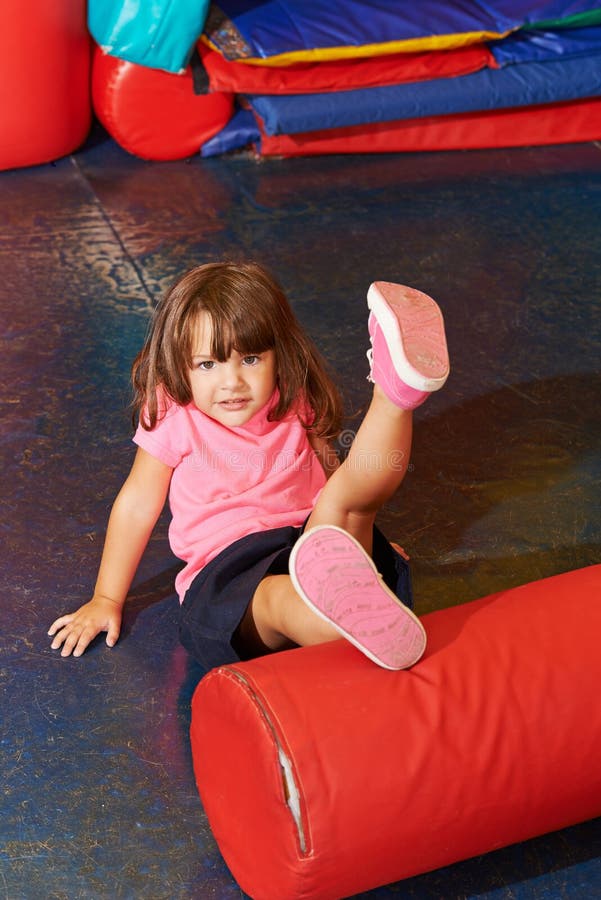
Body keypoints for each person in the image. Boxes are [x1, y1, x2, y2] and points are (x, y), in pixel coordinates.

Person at [48, 261, 449, 671]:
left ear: (279, 354)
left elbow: (330, 470)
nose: (232, 382)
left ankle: (393, 392)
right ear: (178, 365)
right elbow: (137, 504)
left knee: (343, 513)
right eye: (209, 364)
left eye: (251, 359)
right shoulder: (175, 411)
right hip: (231, 564)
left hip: (310, 540)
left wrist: (357, 539)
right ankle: (392, 400)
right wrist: (106, 598)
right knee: (302, 567)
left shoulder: (291, 395)